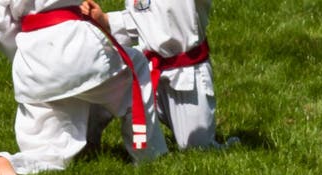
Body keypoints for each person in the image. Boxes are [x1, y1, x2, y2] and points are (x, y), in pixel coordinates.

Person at [0, 1, 167, 175]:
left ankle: (12, 164)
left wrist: (21, 50)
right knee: (136, 67)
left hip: (34, 59)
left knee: (48, 149)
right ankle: (149, 155)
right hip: (79, 46)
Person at [83, 0, 227, 149]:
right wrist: (106, 21)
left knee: (197, 147)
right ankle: (86, 143)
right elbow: (143, 18)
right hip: (146, 67)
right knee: (98, 71)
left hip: (185, 73)